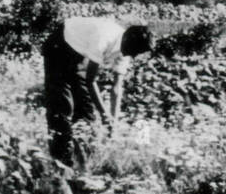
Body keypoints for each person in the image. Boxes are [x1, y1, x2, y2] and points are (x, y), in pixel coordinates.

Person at [42, 16, 152, 169]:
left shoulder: (128, 49)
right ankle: (60, 165)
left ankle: (84, 163)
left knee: (87, 111)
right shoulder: (104, 37)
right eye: (132, 52)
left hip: (80, 53)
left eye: (135, 54)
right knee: (63, 106)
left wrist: (113, 121)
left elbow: (116, 88)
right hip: (60, 44)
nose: (131, 56)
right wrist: (105, 116)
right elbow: (90, 81)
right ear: (127, 38)